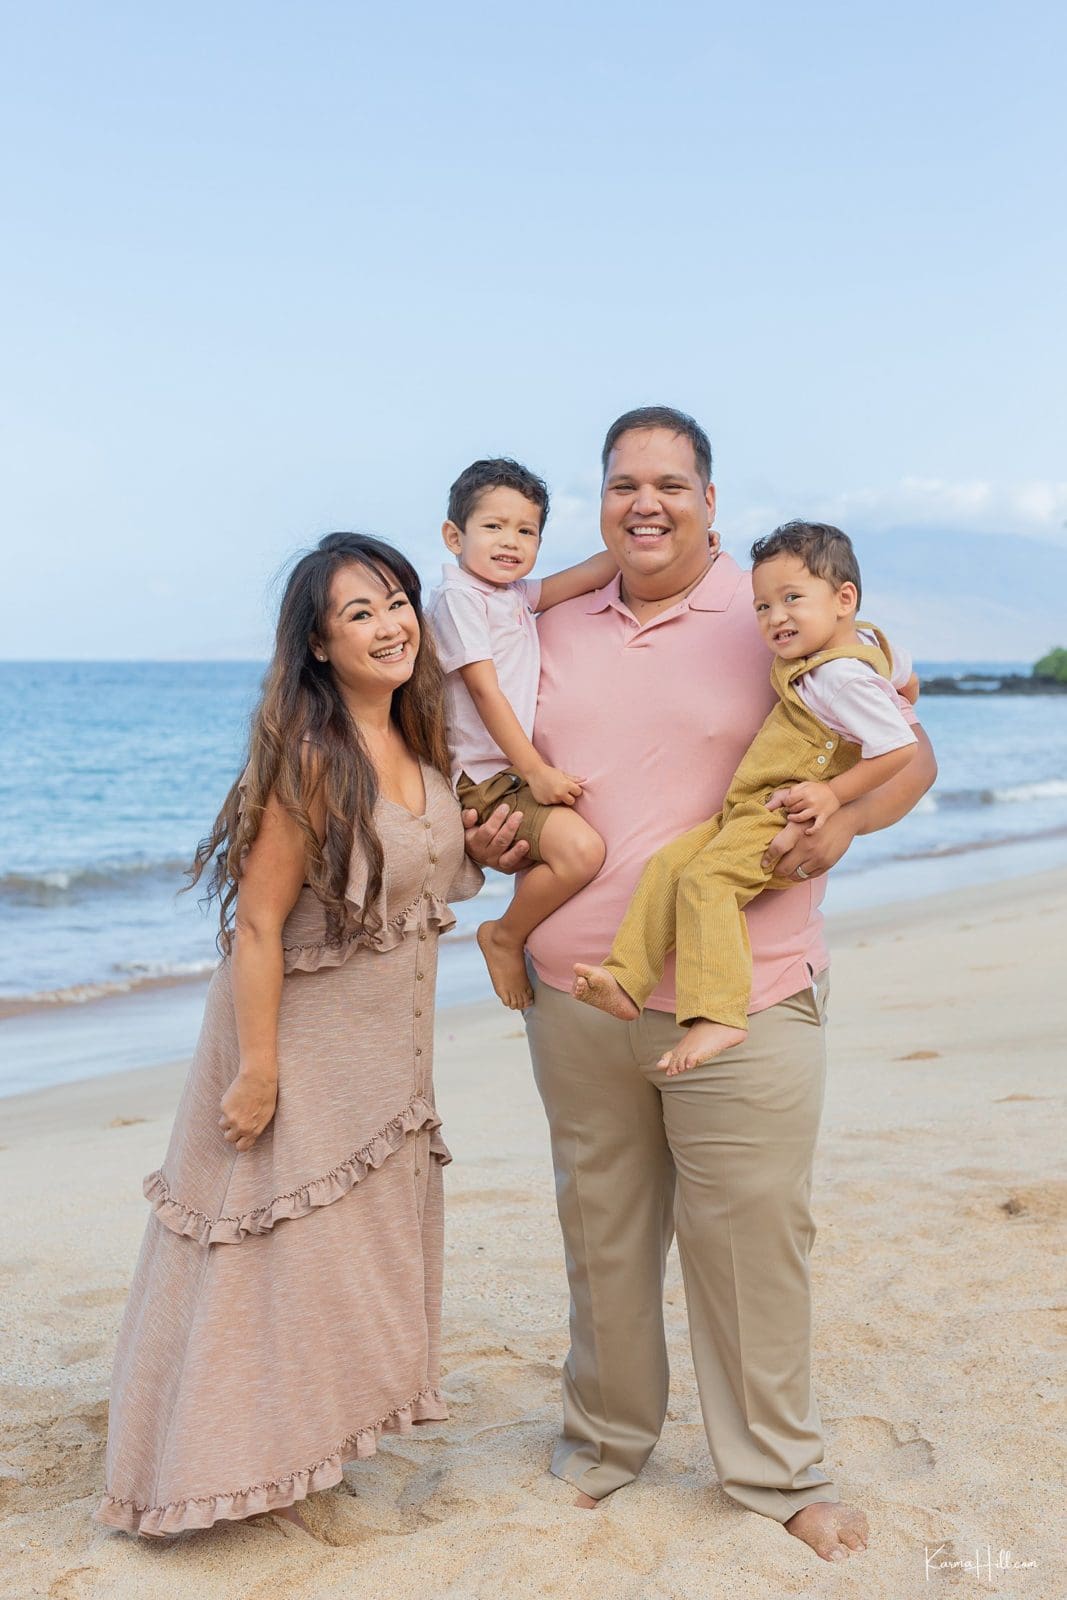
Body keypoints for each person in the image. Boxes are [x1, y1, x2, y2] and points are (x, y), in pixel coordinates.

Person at [461, 407, 936, 1565]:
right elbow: (487, 764)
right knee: (602, 1227)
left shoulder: (778, 609)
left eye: (670, 482)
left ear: (708, 500)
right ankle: (603, 1446)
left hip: (751, 991)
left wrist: (841, 820)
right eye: (623, 482)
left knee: (752, 1238)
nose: (645, 502)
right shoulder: (549, 618)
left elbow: (907, 756)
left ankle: (776, 1475)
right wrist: (487, 837)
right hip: (576, 988)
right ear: (601, 498)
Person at [95, 532, 482, 1537]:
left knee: (347, 1258)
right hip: (299, 1044)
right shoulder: (316, 760)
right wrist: (258, 1068)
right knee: (270, 1259)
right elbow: (258, 923)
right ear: (317, 644)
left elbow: (432, 871)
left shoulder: (420, 735)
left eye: (396, 601)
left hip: (384, 1058)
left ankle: (315, 1451)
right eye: (359, 612)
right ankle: (212, 1469)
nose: (390, 623)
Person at [574, 519, 920, 1073]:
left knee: (707, 883)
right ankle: (625, 978)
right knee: (668, 866)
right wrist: (903, 684)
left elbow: (898, 747)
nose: (775, 616)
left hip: (781, 811)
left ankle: (719, 1014)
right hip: (748, 807)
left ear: (843, 599)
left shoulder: (841, 678)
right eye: (762, 606)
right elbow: (901, 671)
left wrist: (833, 797)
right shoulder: (866, 642)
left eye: (791, 599)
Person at [427, 457, 614, 1010]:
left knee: (569, 852)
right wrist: (534, 771)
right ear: (453, 535)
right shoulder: (458, 599)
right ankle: (503, 935)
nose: (511, 541)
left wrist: (686, 545)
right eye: (494, 527)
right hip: (483, 780)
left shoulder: (509, 595)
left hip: (508, 773)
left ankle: (521, 934)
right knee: (581, 852)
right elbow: (486, 694)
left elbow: (589, 572)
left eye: (526, 530)